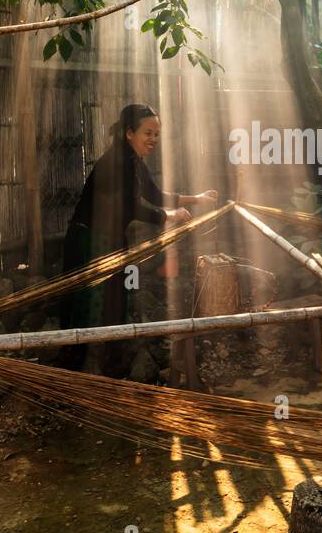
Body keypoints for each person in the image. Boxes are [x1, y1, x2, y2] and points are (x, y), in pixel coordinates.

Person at [60, 103, 216, 370]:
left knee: (114, 301)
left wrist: (197, 199)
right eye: (148, 133)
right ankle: (74, 372)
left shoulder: (133, 160)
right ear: (129, 133)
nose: (154, 139)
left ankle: (111, 366)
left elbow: (155, 195)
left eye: (157, 133)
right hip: (90, 241)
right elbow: (132, 207)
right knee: (89, 305)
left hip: (110, 240)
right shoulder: (117, 162)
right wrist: (169, 216)